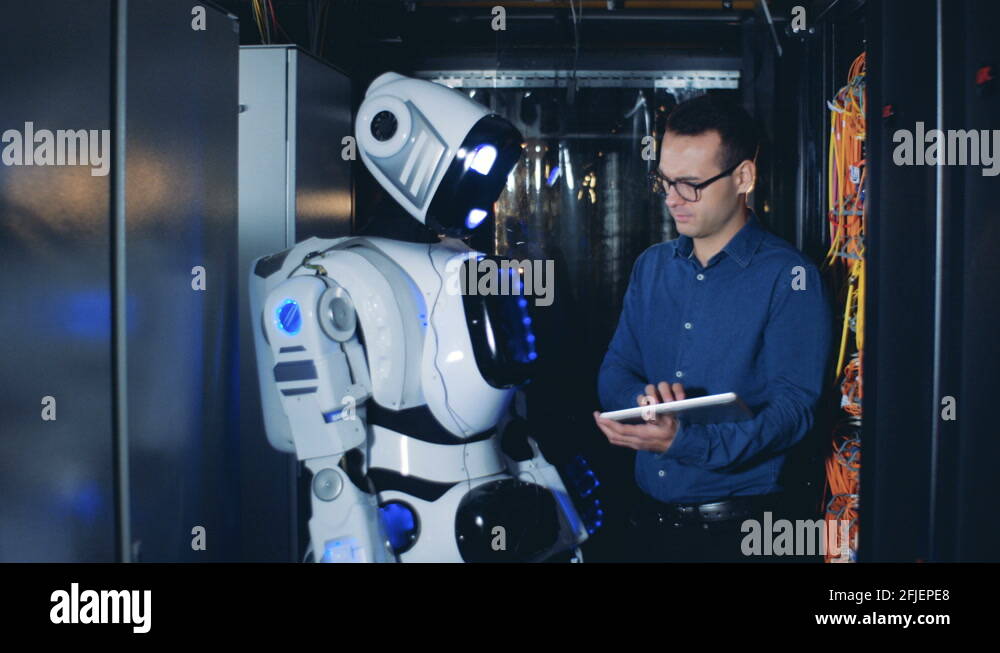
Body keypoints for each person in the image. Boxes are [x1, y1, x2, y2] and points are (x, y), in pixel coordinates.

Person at [592, 94, 833, 563]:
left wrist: (684, 441)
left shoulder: (790, 278)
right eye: (664, 181)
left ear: (743, 177)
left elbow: (793, 412)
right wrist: (643, 408)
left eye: (691, 184)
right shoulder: (651, 267)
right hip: (646, 526)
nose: (672, 199)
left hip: (740, 538)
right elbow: (615, 370)